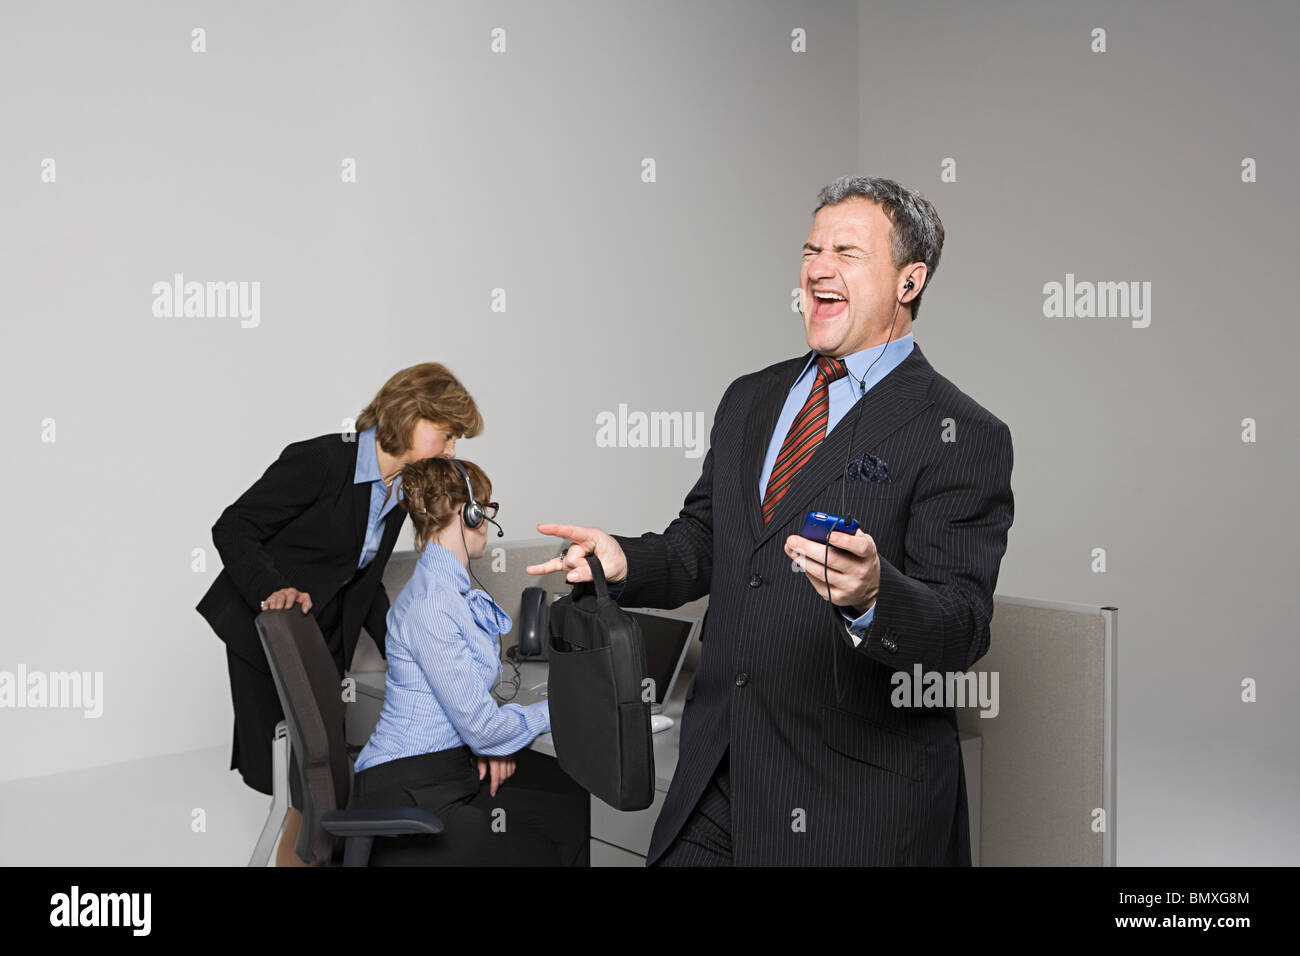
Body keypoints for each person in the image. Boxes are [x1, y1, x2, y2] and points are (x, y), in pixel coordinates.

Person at [527, 175, 1015, 865]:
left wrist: (877, 597)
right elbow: (702, 543)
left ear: (909, 282)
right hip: (718, 771)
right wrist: (627, 561)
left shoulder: (960, 432)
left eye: (847, 251)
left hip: (852, 806)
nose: (818, 267)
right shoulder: (751, 398)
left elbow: (962, 626)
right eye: (813, 248)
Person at [196, 362, 483, 866]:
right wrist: (273, 587)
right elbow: (233, 526)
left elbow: (364, 578)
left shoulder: (400, 488)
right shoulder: (324, 460)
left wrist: (404, 649)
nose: (452, 449)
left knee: (320, 786)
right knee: (298, 786)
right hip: (267, 631)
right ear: (414, 417)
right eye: (447, 434)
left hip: (324, 635)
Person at [348, 458, 584, 866]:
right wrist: (565, 707)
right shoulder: (433, 605)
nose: (488, 522)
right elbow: (483, 729)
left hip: (445, 775)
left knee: (574, 817)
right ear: (467, 512)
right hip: (408, 792)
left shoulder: (448, 592)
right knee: (544, 848)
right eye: (486, 509)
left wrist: (493, 739)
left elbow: (471, 710)